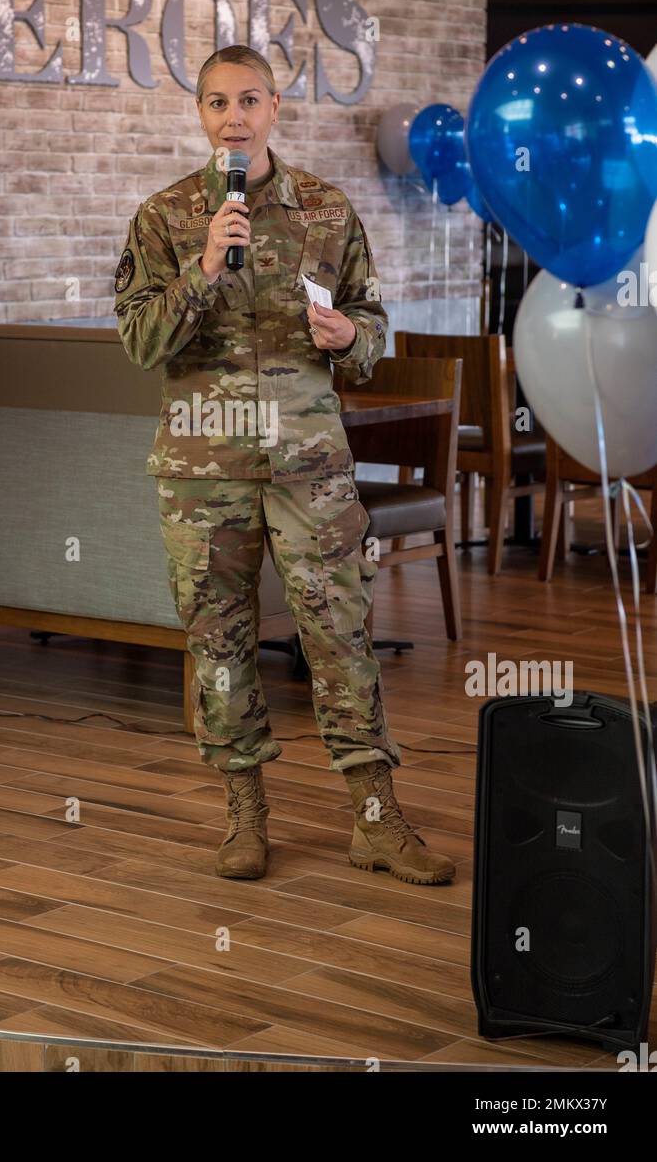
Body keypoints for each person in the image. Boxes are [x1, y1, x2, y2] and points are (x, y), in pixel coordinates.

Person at [113, 44, 454, 886]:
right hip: (204, 471)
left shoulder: (328, 211)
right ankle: (245, 818)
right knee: (220, 639)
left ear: (275, 109)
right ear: (201, 114)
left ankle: (377, 821)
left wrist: (354, 338)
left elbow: (374, 324)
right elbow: (139, 340)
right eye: (218, 103)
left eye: (250, 100)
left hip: (310, 468)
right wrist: (202, 270)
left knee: (339, 633)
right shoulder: (163, 218)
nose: (235, 117)